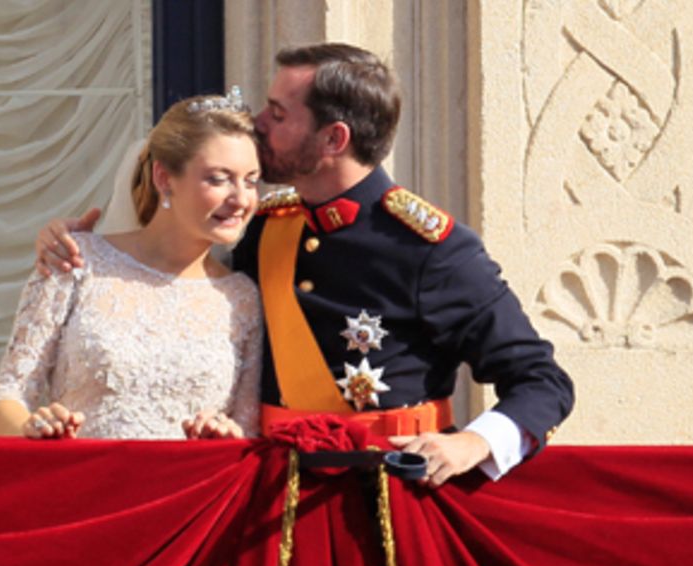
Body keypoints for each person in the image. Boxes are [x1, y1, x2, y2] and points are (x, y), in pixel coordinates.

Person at [35, 44, 573, 483]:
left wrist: (471, 444)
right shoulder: (266, 226)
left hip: (385, 502)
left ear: (332, 139)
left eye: (277, 113)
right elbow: (172, 282)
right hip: (270, 497)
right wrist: (87, 252)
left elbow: (543, 383)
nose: (256, 124)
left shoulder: (431, 249)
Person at [0, 89, 262, 441]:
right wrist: (32, 430)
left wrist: (224, 436)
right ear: (164, 178)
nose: (241, 199)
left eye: (251, 180)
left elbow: (248, 432)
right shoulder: (75, 261)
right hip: (85, 486)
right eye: (218, 179)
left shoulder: (241, 297)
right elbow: (4, 397)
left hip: (190, 492)